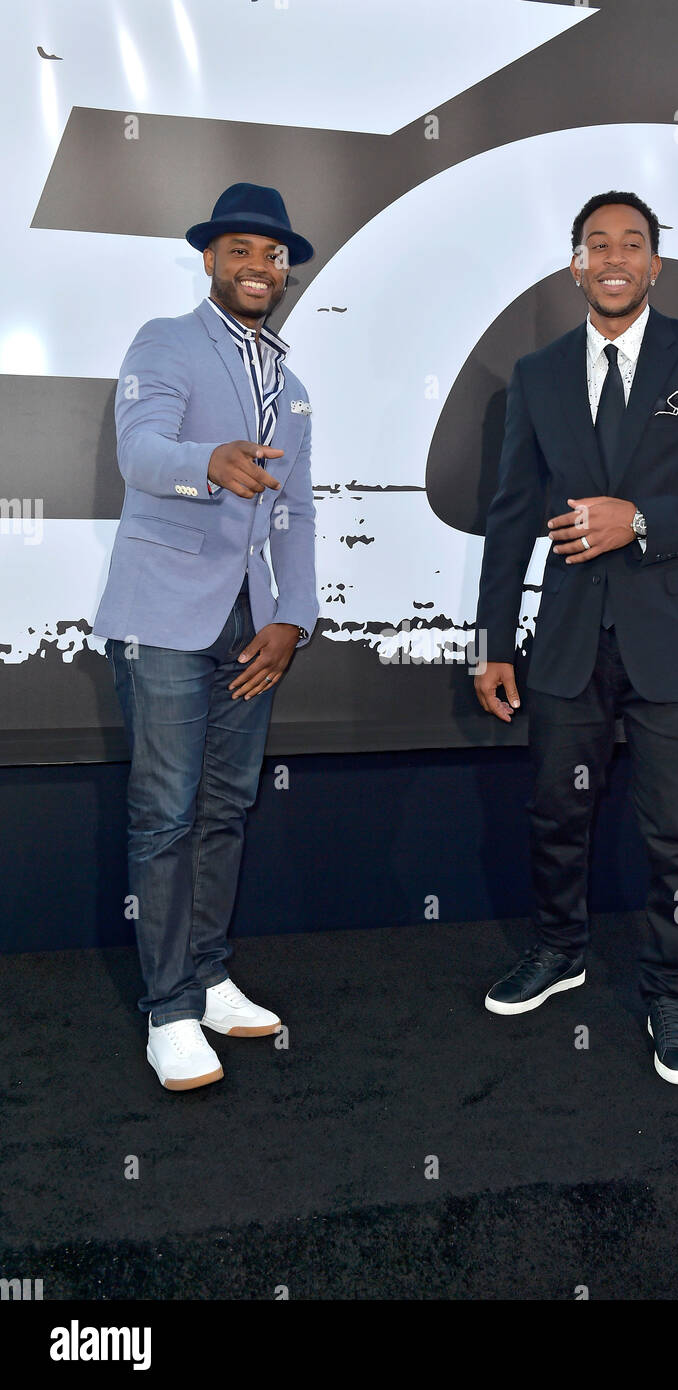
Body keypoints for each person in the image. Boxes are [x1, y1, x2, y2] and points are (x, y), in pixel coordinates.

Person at [474, 190, 678, 1084]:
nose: (614, 256)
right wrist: (493, 638)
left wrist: (637, 520)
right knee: (557, 812)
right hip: (567, 639)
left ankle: (672, 992)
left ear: (654, 264)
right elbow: (511, 516)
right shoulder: (538, 374)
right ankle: (559, 950)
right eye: (596, 243)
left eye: (631, 243)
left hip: (676, 639)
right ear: (576, 264)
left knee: (677, 830)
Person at [94, 183, 318, 1091]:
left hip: (250, 625)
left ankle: (211, 972)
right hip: (163, 617)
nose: (257, 267)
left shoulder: (293, 387)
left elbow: (296, 513)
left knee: (227, 809)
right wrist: (206, 465)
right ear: (210, 260)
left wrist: (290, 620)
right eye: (239, 251)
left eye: (271, 255)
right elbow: (140, 453)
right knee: (165, 817)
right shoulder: (165, 341)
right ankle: (170, 1009)